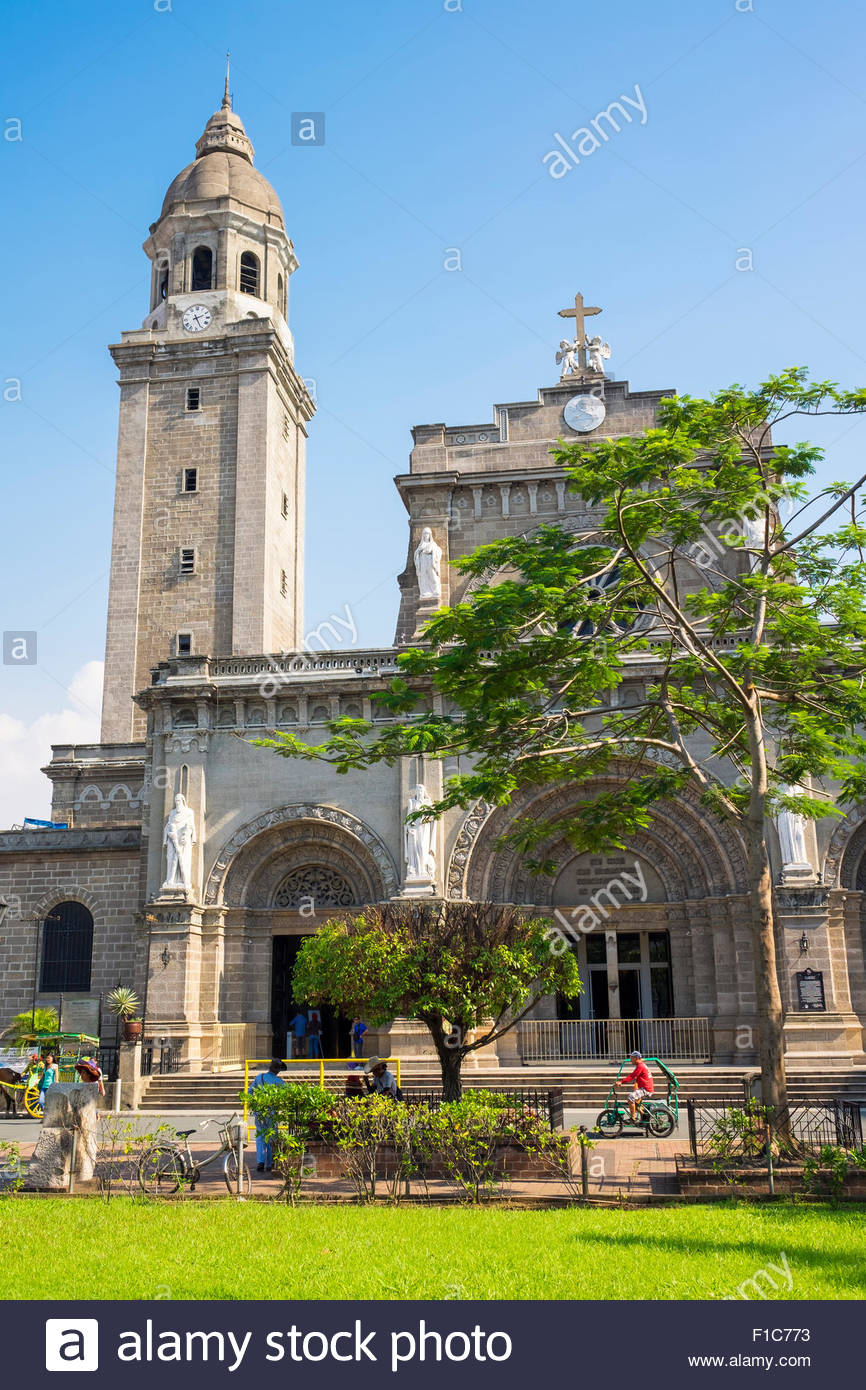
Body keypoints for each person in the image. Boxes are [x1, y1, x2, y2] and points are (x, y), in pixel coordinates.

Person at [249, 1058, 285, 1172]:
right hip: (272, 1112)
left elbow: (250, 1092)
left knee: (260, 1137)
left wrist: (255, 1103)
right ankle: (270, 1163)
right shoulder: (279, 1081)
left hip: (259, 1111)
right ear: (278, 1071)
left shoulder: (259, 1077)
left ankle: (260, 1161)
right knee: (271, 1137)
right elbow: (288, 1094)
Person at [618, 1050, 654, 1123]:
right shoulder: (641, 1064)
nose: (630, 1059)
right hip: (645, 1088)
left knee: (630, 1098)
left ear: (636, 1058)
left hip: (645, 1089)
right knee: (636, 1102)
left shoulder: (640, 1066)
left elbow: (632, 1076)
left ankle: (632, 1118)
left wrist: (621, 1081)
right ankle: (644, 1115)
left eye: (631, 1057)